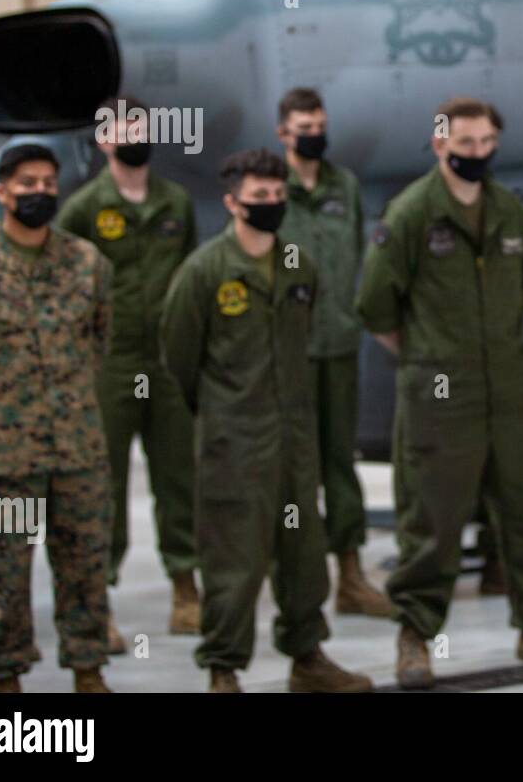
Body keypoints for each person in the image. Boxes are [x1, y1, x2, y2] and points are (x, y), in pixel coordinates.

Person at [356, 97, 523, 690]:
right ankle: (415, 634)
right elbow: (375, 306)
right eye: (465, 145)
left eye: (487, 143)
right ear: (440, 144)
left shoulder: (511, 213)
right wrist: (426, 354)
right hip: (441, 394)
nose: (477, 155)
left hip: (508, 388)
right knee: (431, 521)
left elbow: (521, 291)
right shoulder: (412, 214)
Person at [159, 148, 371, 693]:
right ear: (232, 203)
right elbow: (179, 363)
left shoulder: (299, 264)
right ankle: (223, 670)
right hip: (235, 446)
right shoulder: (203, 272)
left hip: (294, 441)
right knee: (233, 562)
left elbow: (304, 342)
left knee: (303, 556)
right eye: (259, 198)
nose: (271, 206)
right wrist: (224, 416)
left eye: (277, 197)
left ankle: (308, 657)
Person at [0, 142, 113, 693]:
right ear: (1, 192)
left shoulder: (86, 263)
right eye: (26, 183)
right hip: (1, 455)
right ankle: (6, 680)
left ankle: (88, 673)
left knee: (85, 571)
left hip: (78, 451)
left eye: (47, 183)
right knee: (5, 580)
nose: (39, 192)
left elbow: (99, 344)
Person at [56, 99, 200, 650]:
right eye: (123, 130)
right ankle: (99, 600)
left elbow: (188, 279)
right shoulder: (86, 209)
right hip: (109, 364)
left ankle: (187, 590)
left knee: (177, 477)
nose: (134, 138)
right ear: (103, 141)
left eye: (142, 129)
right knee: (103, 484)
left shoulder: (175, 203)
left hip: (165, 364)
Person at [275, 87, 392, 617]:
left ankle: (349, 574)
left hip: (339, 343)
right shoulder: (271, 191)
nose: (314, 134)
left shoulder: (343, 185)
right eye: (303, 127)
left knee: (340, 463)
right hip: (287, 352)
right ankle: (297, 583)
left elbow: (353, 257)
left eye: (319, 124)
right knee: (293, 469)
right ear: (283, 134)